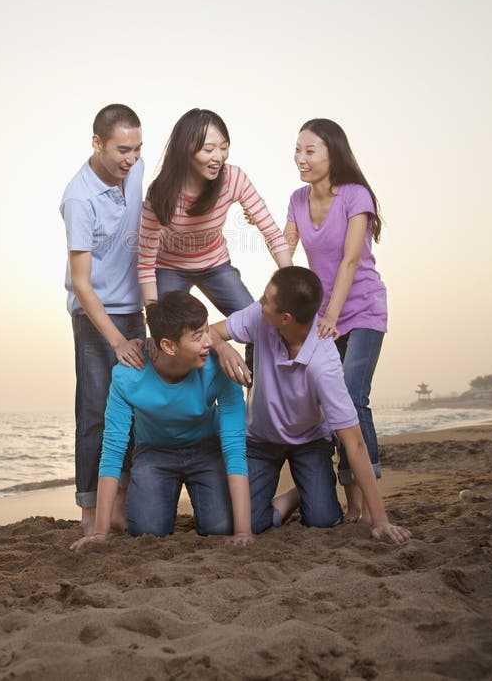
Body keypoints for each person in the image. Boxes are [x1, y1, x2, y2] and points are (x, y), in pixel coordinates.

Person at [211, 267, 410, 544]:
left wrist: (381, 520)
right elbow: (210, 332)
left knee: (322, 522)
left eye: (267, 299)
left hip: (309, 442)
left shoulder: (324, 364)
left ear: (286, 318)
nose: (260, 302)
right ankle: (298, 492)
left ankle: (306, 489)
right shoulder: (259, 316)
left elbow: (354, 443)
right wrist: (223, 348)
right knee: (248, 523)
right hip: (260, 439)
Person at [70, 291, 254, 551]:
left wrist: (243, 531)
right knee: (147, 531)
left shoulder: (219, 368)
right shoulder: (128, 376)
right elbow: (112, 451)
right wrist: (100, 532)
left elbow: (235, 447)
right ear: (168, 345)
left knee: (220, 527)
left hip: (205, 449)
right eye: (198, 336)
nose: (208, 342)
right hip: (154, 454)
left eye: (207, 332)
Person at [283, 118, 388, 523]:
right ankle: (353, 501)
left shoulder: (355, 196)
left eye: (310, 151)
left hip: (362, 310)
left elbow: (348, 260)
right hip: (322, 317)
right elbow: (285, 249)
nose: (301, 159)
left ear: (332, 154)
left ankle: (369, 496)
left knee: (352, 395)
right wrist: (280, 298)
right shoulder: (296, 199)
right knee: (331, 402)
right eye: (297, 150)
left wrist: (330, 315)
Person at [60, 104, 146, 536]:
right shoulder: (78, 199)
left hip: (135, 310)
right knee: (95, 412)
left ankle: (120, 506)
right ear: (97, 143)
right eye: (121, 150)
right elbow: (81, 284)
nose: (130, 159)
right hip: (96, 317)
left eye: (136, 148)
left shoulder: (137, 168)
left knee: (132, 410)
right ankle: (91, 514)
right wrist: (116, 341)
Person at [138, 108, 292, 334]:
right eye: (208, 149)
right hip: (170, 267)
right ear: (185, 151)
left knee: (259, 325)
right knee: (168, 334)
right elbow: (145, 261)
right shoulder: (160, 192)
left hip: (215, 264)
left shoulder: (233, 178)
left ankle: (251, 369)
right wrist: (152, 311)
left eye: (224, 147)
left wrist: (292, 281)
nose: (218, 157)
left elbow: (271, 232)